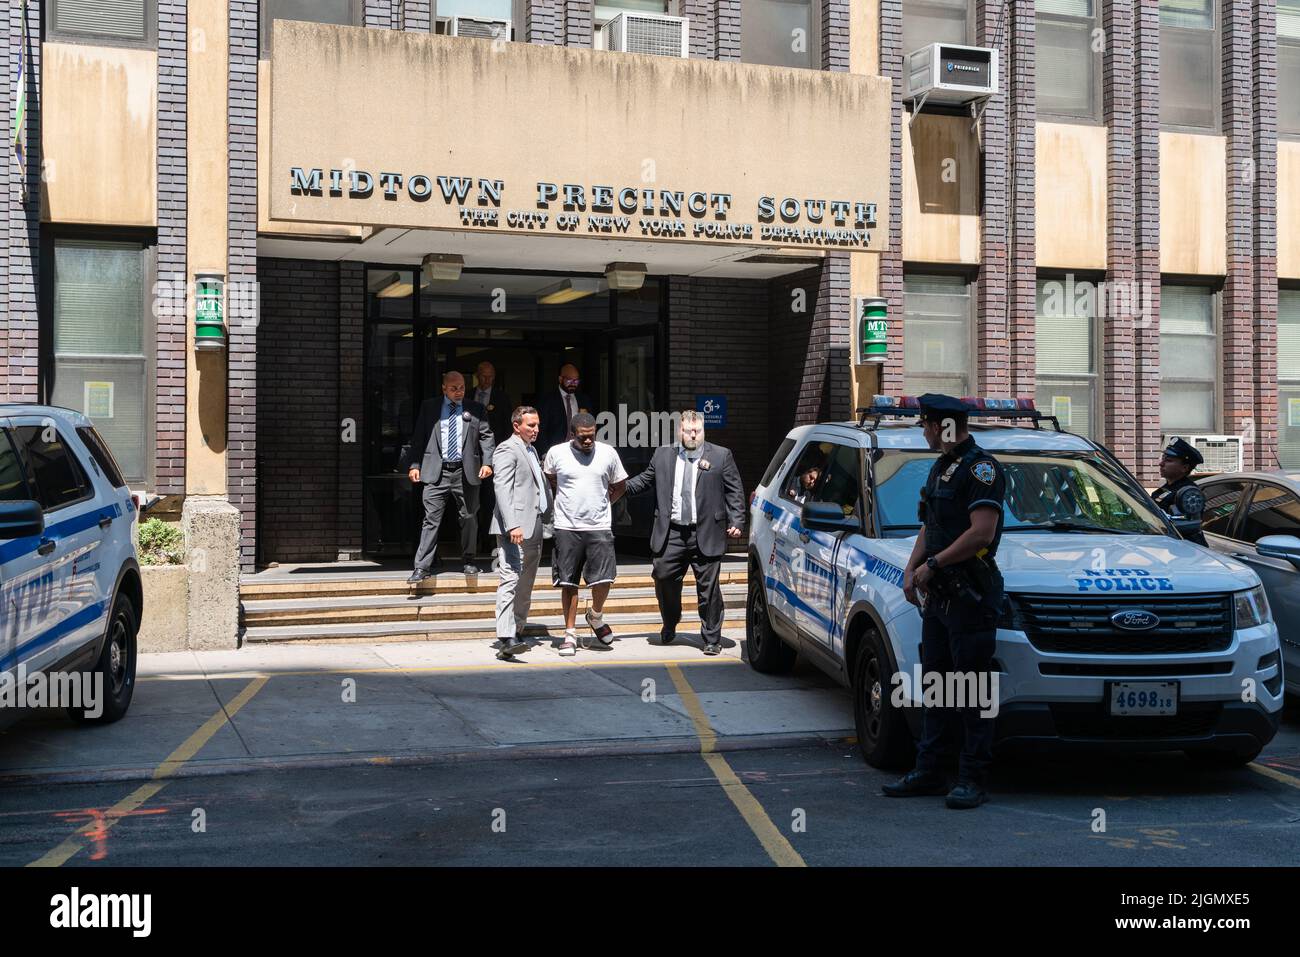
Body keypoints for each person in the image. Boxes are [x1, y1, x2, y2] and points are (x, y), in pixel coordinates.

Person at [883, 394, 1005, 811]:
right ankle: (930, 770)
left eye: (926, 425)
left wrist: (932, 565)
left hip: (969, 595)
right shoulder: (941, 467)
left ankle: (972, 778)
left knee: (971, 690)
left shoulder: (982, 468)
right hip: (938, 598)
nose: (924, 432)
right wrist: (911, 567)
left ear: (943, 426)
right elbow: (929, 525)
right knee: (937, 686)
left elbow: (981, 534)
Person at [625, 410, 745, 656]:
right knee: (663, 578)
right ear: (679, 431)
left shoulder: (721, 456)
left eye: (697, 431)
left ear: (703, 431)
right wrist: (615, 487)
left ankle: (712, 637)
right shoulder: (662, 455)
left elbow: (735, 491)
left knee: (708, 589)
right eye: (688, 430)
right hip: (672, 534)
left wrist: (737, 520)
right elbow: (644, 481)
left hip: (707, 531)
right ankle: (671, 620)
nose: (693, 435)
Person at [543, 412, 627, 656]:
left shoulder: (608, 453)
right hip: (567, 526)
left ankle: (595, 616)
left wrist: (604, 503)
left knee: (604, 579)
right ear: (572, 435)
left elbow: (620, 485)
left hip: (599, 525)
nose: (588, 441)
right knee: (569, 582)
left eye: (591, 436)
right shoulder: (556, 453)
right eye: (583, 438)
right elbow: (551, 480)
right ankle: (569, 634)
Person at [400, 371, 495, 581]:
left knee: (469, 518)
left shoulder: (475, 409)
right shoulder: (429, 407)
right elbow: (418, 439)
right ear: (444, 388)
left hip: (465, 471)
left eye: (461, 387)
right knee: (431, 519)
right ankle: (422, 567)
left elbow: (487, 437)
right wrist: (414, 465)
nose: (459, 392)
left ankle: (469, 560)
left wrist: (488, 463)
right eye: (453, 388)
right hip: (437, 472)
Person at [490, 406, 553, 660]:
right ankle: (506, 637)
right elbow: (502, 488)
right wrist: (512, 524)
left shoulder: (531, 448)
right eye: (530, 426)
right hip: (514, 527)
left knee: (526, 581)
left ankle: (517, 629)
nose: (536, 430)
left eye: (537, 425)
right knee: (510, 578)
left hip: (534, 525)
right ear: (516, 425)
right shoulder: (507, 448)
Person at [471, 360, 513, 555]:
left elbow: (506, 429)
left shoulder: (502, 398)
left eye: (490, 377)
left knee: (489, 500)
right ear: (477, 375)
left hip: (494, 457)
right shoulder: (468, 395)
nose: (487, 380)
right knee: (470, 501)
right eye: (483, 376)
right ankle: (470, 542)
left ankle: (487, 541)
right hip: (469, 456)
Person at [1152, 437, 1208, 547]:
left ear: (1184, 467)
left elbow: (1184, 527)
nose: (1161, 464)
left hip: (1184, 550)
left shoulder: (1189, 493)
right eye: (1163, 458)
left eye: (1168, 460)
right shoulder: (1166, 488)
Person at [537, 362, 596, 454]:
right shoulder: (547, 400)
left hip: (579, 450)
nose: (573, 384)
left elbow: (590, 425)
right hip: (556, 451)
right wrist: (545, 453)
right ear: (560, 379)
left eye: (576, 381)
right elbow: (541, 430)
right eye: (569, 381)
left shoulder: (584, 400)